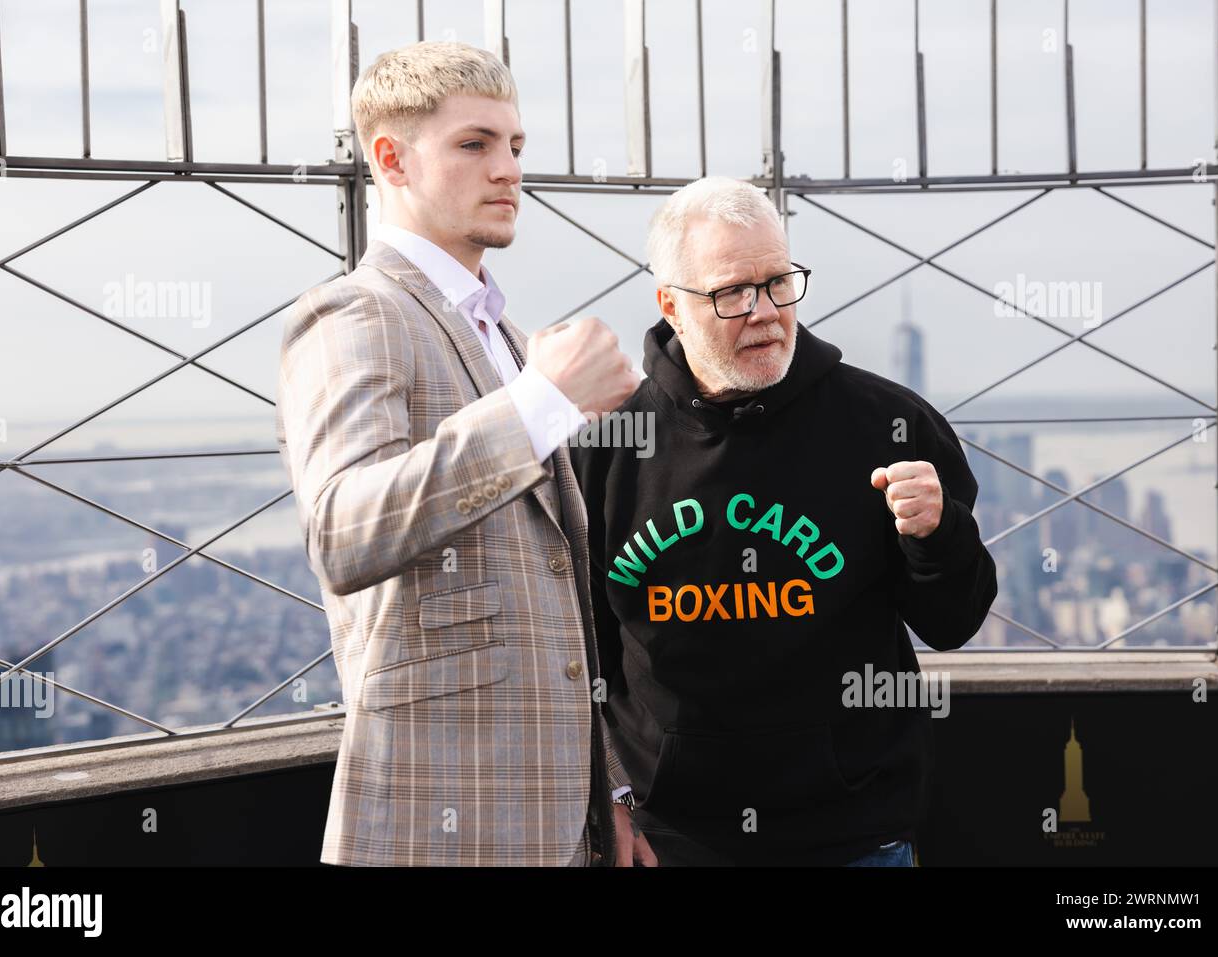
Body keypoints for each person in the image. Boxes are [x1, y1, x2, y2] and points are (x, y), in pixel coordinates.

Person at [276, 40, 655, 866]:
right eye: (474, 144)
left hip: (554, 828)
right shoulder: (356, 313)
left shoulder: (509, 340)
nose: (509, 169)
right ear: (391, 159)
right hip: (433, 823)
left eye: (515, 146)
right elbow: (344, 531)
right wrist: (544, 403)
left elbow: (553, 608)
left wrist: (609, 793)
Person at [570, 175, 998, 866]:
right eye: (733, 291)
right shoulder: (606, 450)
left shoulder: (889, 425)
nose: (765, 311)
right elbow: (577, 661)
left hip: (852, 836)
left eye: (779, 282)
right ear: (671, 306)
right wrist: (611, 803)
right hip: (670, 841)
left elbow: (954, 621)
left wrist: (938, 534)